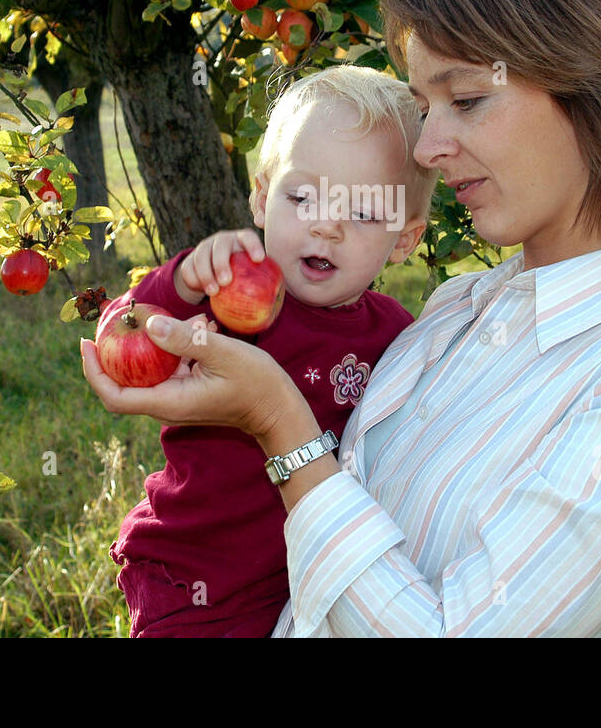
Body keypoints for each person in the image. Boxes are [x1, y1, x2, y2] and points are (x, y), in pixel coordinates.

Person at [81, 0, 601, 637]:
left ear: (598, 91)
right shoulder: (463, 305)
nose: (428, 148)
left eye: (465, 100)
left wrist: (279, 423)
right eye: (427, 108)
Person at [105, 65, 440, 636]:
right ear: (262, 199)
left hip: (302, 583)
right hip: (195, 580)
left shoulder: (397, 336)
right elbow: (130, 332)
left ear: (405, 239)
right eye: (302, 196)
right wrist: (182, 280)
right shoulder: (225, 301)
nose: (327, 225)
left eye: (363, 212)